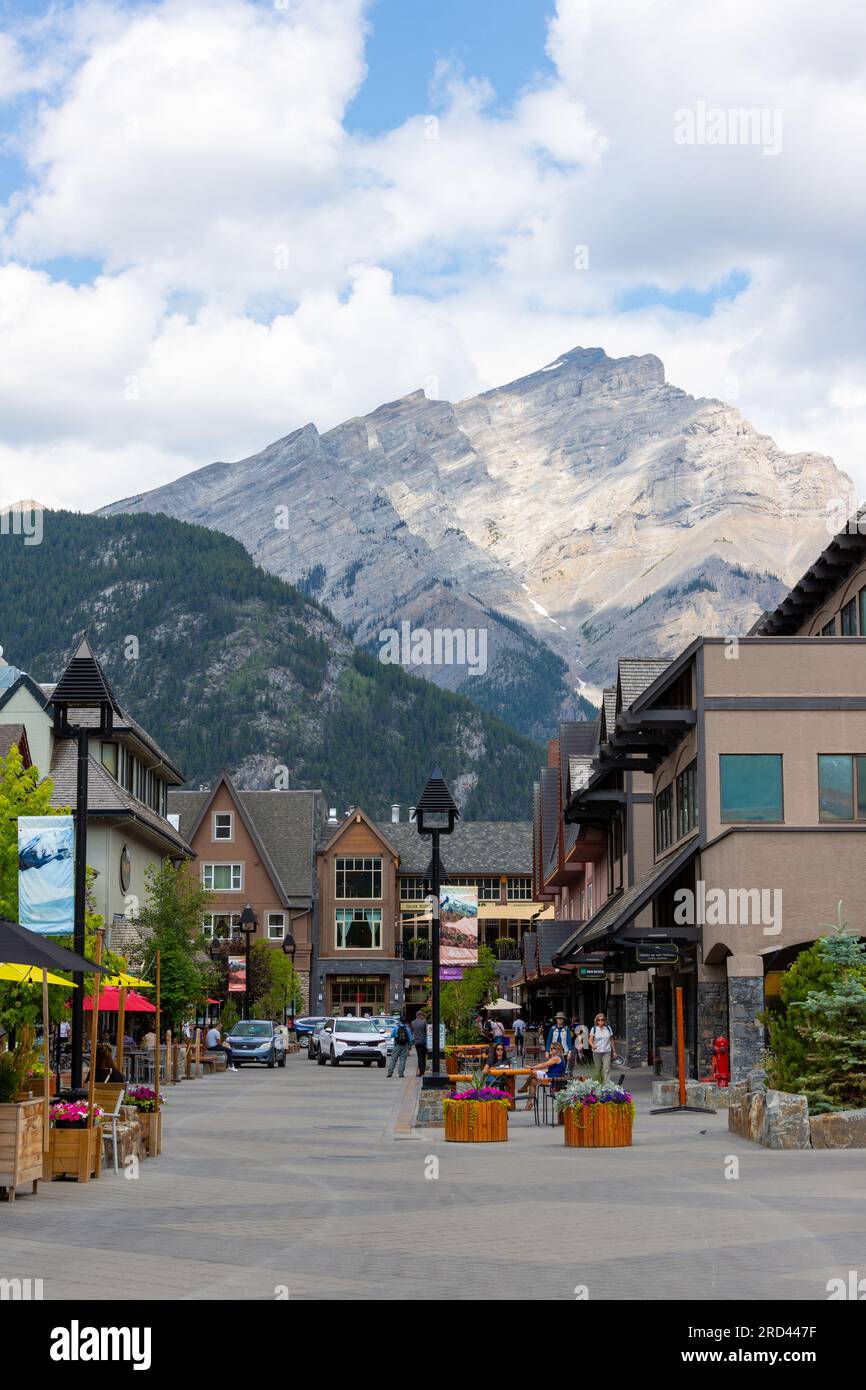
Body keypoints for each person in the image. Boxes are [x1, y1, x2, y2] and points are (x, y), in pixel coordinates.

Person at [523, 1042, 566, 1109]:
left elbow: (544, 1065)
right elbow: (549, 1069)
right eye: (550, 1049)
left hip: (552, 1078)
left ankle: (525, 1088)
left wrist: (531, 1067)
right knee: (532, 1081)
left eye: (552, 1049)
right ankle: (529, 1102)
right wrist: (536, 1070)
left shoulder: (557, 1058)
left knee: (533, 1073)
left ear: (557, 1049)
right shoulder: (559, 1058)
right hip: (552, 1076)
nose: (550, 1050)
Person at [589, 1013, 616, 1082]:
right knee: (598, 1069)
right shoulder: (594, 1029)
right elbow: (590, 1039)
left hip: (607, 1051)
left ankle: (606, 1085)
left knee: (606, 1068)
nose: (601, 1021)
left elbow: (611, 1040)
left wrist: (614, 1051)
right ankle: (597, 1084)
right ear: (596, 1021)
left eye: (602, 1019)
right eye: (599, 1020)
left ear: (604, 1020)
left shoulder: (608, 1028)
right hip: (597, 1051)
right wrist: (592, 1045)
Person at [411, 1010, 428, 1077]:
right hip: (424, 1042)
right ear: (421, 1015)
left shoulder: (413, 1023)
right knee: (423, 1057)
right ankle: (423, 1071)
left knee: (419, 1057)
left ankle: (421, 1072)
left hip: (417, 1042)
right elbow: (426, 1032)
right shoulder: (424, 1022)